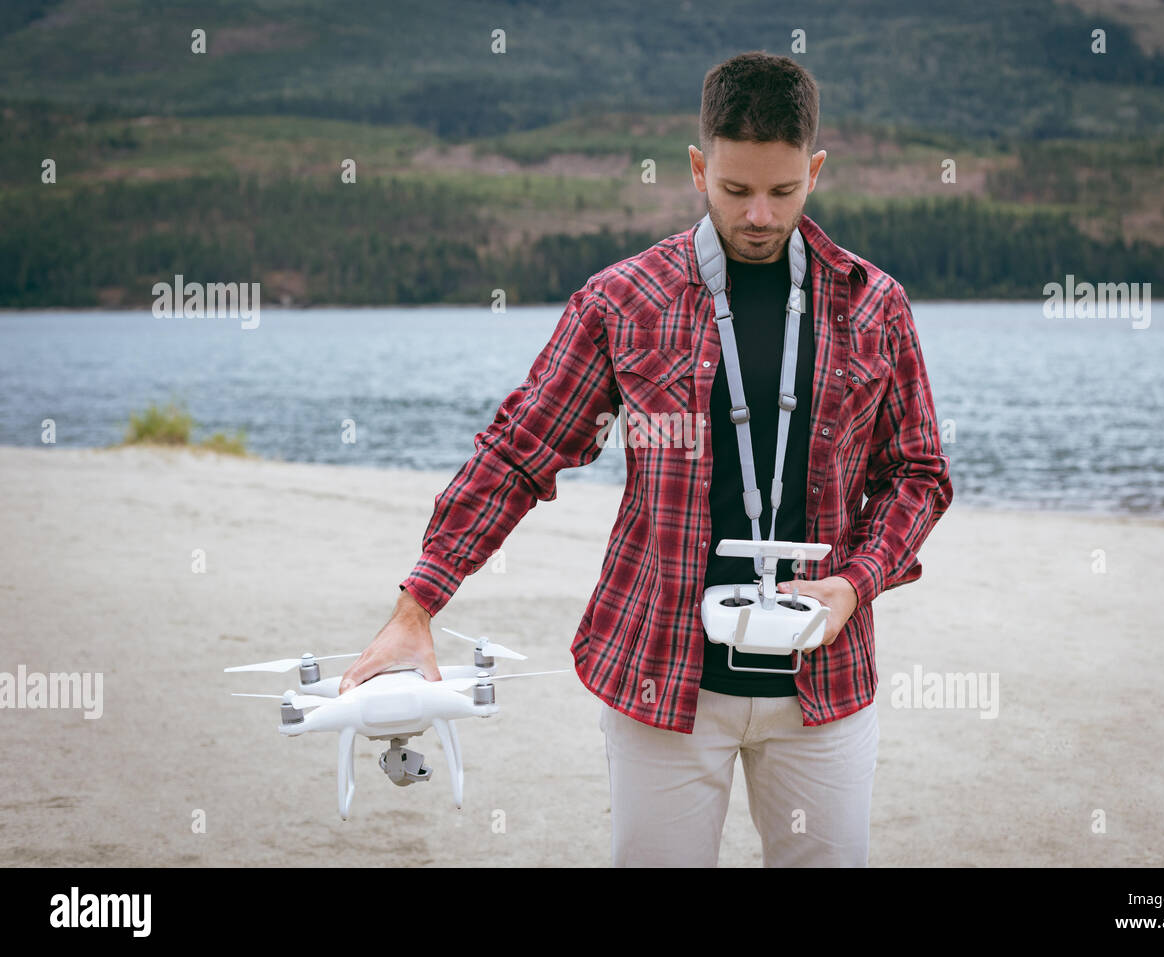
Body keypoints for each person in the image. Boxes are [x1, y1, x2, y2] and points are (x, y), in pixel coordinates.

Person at [340, 51, 953, 867]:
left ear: (815, 170)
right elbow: (520, 453)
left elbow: (919, 473)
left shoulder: (876, 305)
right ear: (698, 169)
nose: (761, 214)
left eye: (782, 190)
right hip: (662, 679)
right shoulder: (622, 300)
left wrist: (856, 581)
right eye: (736, 191)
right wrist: (417, 604)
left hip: (825, 683)